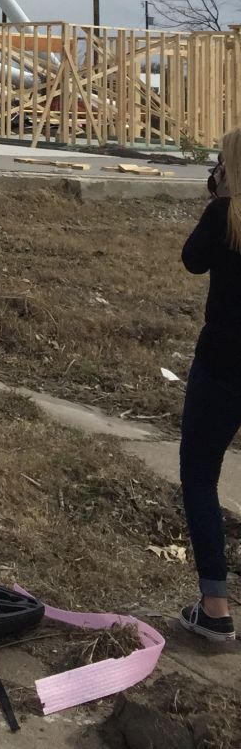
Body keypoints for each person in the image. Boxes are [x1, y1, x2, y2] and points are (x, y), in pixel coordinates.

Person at [178, 127, 241, 641]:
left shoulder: (226, 216)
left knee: (200, 477)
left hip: (222, 365)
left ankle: (216, 607)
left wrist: (221, 199)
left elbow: (192, 259)